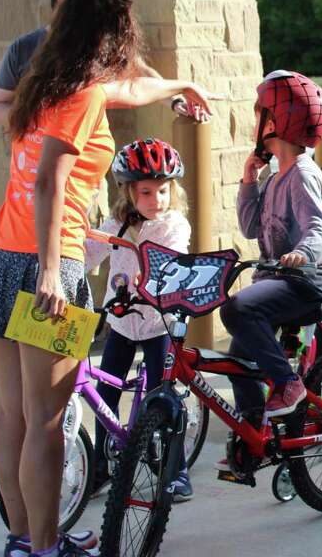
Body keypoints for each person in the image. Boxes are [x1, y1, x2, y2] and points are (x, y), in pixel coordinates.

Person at [0, 0, 216, 557]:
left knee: (12, 414)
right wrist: (50, 271)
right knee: (46, 419)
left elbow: (130, 87)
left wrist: (179, 86)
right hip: (44, 263)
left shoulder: (43, 85)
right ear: (109, 35)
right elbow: (49, 183)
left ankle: (23, 538)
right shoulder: (80, 97)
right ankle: (45, 547)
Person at [220, 71, 322, 436]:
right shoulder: (274, 177)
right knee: (239, 363)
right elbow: (250, 227)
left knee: (238, 309)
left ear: (274, 122)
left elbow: (318, 229)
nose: (254, 123)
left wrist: (302, 252)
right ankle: (254, 437)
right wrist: (249, 180)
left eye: (258, 115)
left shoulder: (303, 174)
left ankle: (288, 384)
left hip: (302, 283)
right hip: (276, 281)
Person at [83, 139, 192, 500]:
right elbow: (89, 253)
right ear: (130, 192)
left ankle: (176, 470)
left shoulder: (174, 225)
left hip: (158, 323)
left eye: (163, 191)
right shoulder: (116, 224)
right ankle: (101, 465)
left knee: (162, 398)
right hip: (122, 321)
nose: (156, 199)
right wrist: (66, 260)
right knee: (105, 395)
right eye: (146, 192)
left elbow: (172, 260)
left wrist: (152, 272)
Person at [0, 0, 203, 126]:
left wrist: (177, 101)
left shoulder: (98, 47)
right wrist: (39, 119)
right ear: (62, 4)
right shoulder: (23, 48)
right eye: (85, 10)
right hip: (36, 165)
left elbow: (138, 82)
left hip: (90, 168)